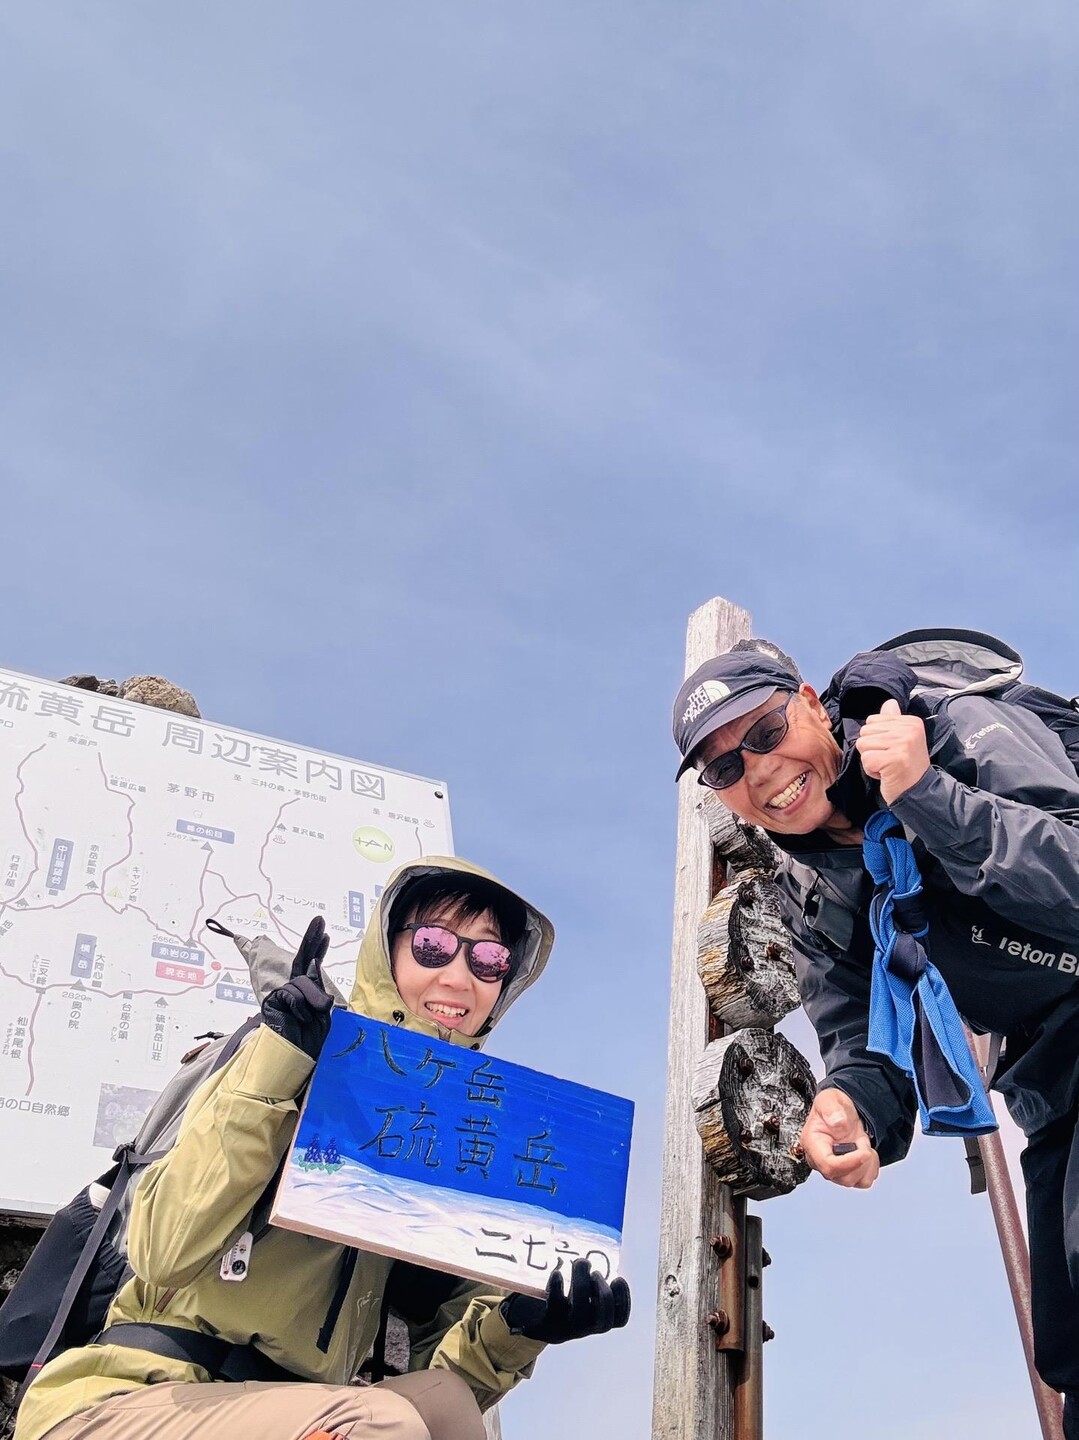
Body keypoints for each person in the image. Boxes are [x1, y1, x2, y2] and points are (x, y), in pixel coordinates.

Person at [16, 856, 630, 1440]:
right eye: (433, 945)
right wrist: (278, 1065)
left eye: (490, 958)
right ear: (387, 950)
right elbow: (163, 1253)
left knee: (440, 1403)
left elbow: (443, 1387)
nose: (458, 976)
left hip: (305, 1412)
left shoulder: (469, 1149)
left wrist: (518, 1330)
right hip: (132, 1397)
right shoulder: (286, 1053)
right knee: (381, 1423)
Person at [672, 641, 1079, 1435]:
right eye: (722, 767)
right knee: (1065, 1347)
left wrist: (930, 798)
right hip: (1052, 1080)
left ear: (809, 703)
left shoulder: (958, 733)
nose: (757, 769)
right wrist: (849, 1104)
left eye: (764, 731)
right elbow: (861, 1038)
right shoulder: (810, 893)